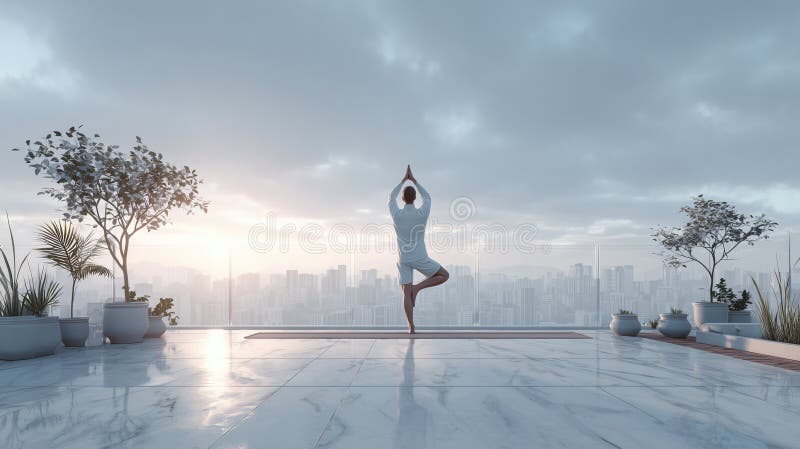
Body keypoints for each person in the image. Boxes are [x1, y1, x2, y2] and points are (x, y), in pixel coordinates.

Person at [388, 165, 449, 333]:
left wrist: (403, 181)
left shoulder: (397, 215)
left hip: (404, 258)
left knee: (405, 294)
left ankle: (411, 327)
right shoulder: (421, 213)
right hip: (420, 257)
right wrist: (414, 181)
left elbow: (390, 197)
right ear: (415, 198)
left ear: (403, 198)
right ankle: (418, 288)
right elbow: (428, 198)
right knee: (445, 275)